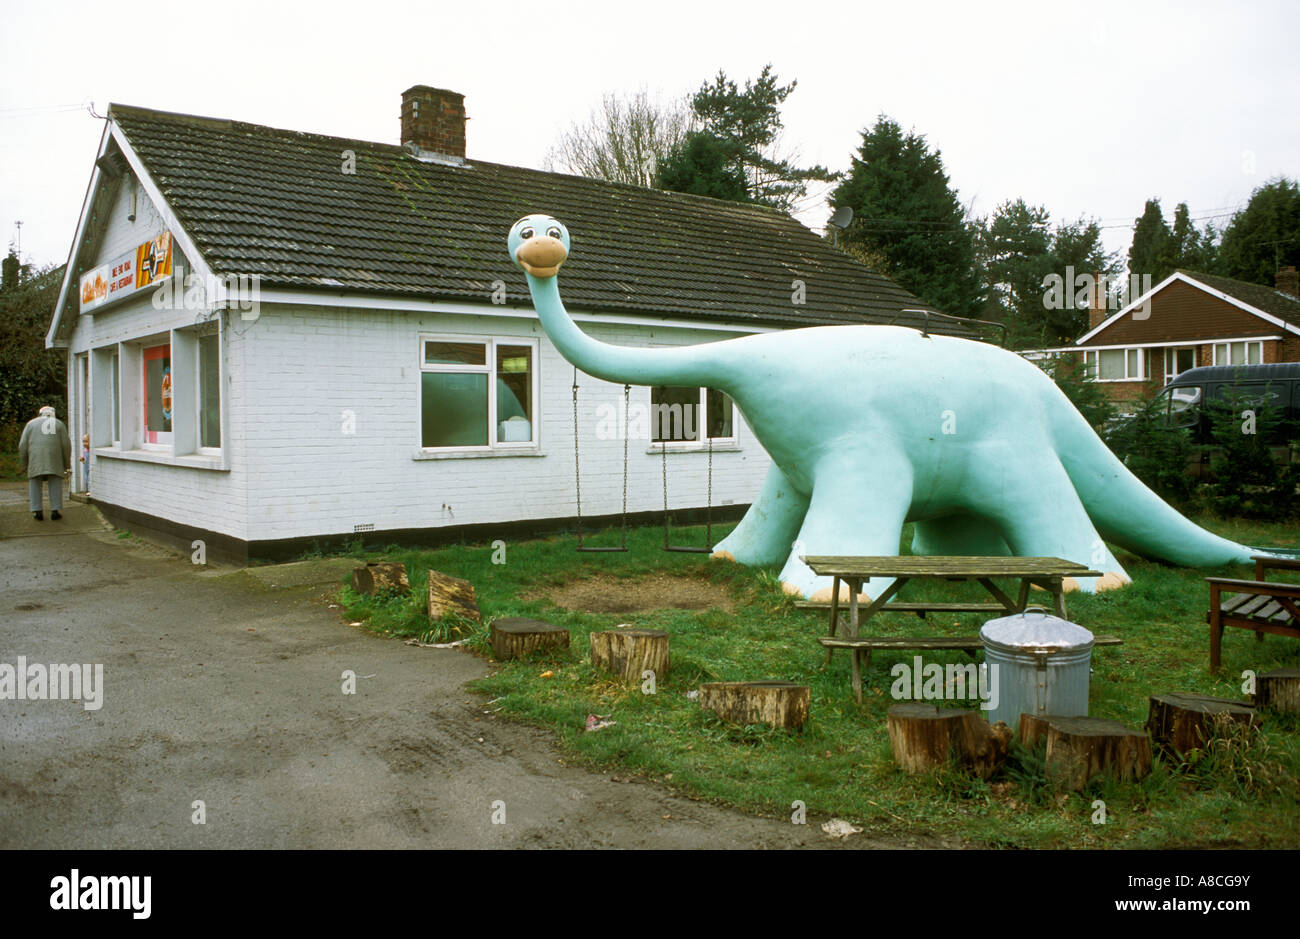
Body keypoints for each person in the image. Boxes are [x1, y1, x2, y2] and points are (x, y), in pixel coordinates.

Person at [18, 405, 71, 521]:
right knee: (55, 484)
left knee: (35, 484)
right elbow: (66, 445)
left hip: (35, 459)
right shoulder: (59, 424)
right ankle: (55, 511)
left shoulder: (30, 424)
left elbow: (22, 446)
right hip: (54, 459)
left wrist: (24, 464)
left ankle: (37, 511)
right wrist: (67, 465)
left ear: (40, 413)